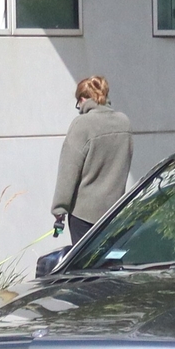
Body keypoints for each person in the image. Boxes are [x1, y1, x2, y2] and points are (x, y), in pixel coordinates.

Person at [52, 75, 133, 240]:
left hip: (84, 215)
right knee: (111, 262)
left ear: (82, 99)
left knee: (85, 265)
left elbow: (68, 171)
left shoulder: (82, 124)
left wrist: (59, 210)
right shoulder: (124, 123)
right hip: (114, 212)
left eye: (78, 103)